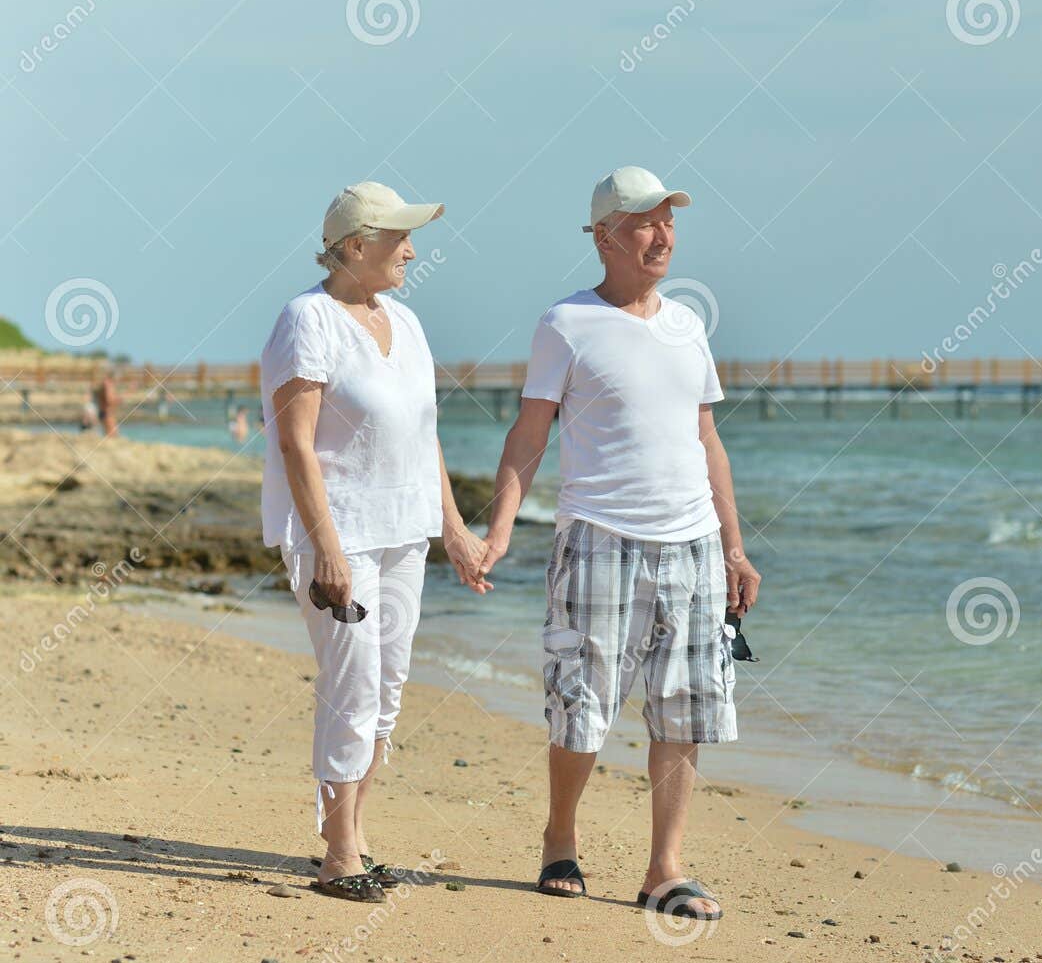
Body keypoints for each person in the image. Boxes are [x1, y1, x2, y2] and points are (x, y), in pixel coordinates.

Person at [481, 166, 761, 919]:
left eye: (668, 221)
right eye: (643, 222)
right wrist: (498, 530)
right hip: (599, 538)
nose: (661, 234)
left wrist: (733, 548)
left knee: (686, 710)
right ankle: (558, 838)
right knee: (581, 702)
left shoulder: (686, 325)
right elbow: (529, 433)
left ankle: (663, 870)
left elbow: (707, 441)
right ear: (603, 236)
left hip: (693, 546)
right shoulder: (565, 323)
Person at [260, 181, 490, 904]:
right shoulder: (307, 320)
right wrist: (326, 547)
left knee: (385, 692)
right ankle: (337, 855)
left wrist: (452, 529)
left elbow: (424, 440)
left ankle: (352, 835)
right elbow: (296, 445)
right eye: (399, 238)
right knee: (351, 687)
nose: (412, 250)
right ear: (357, 244)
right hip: (340, 539)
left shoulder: (409, 324)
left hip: (402, 534)